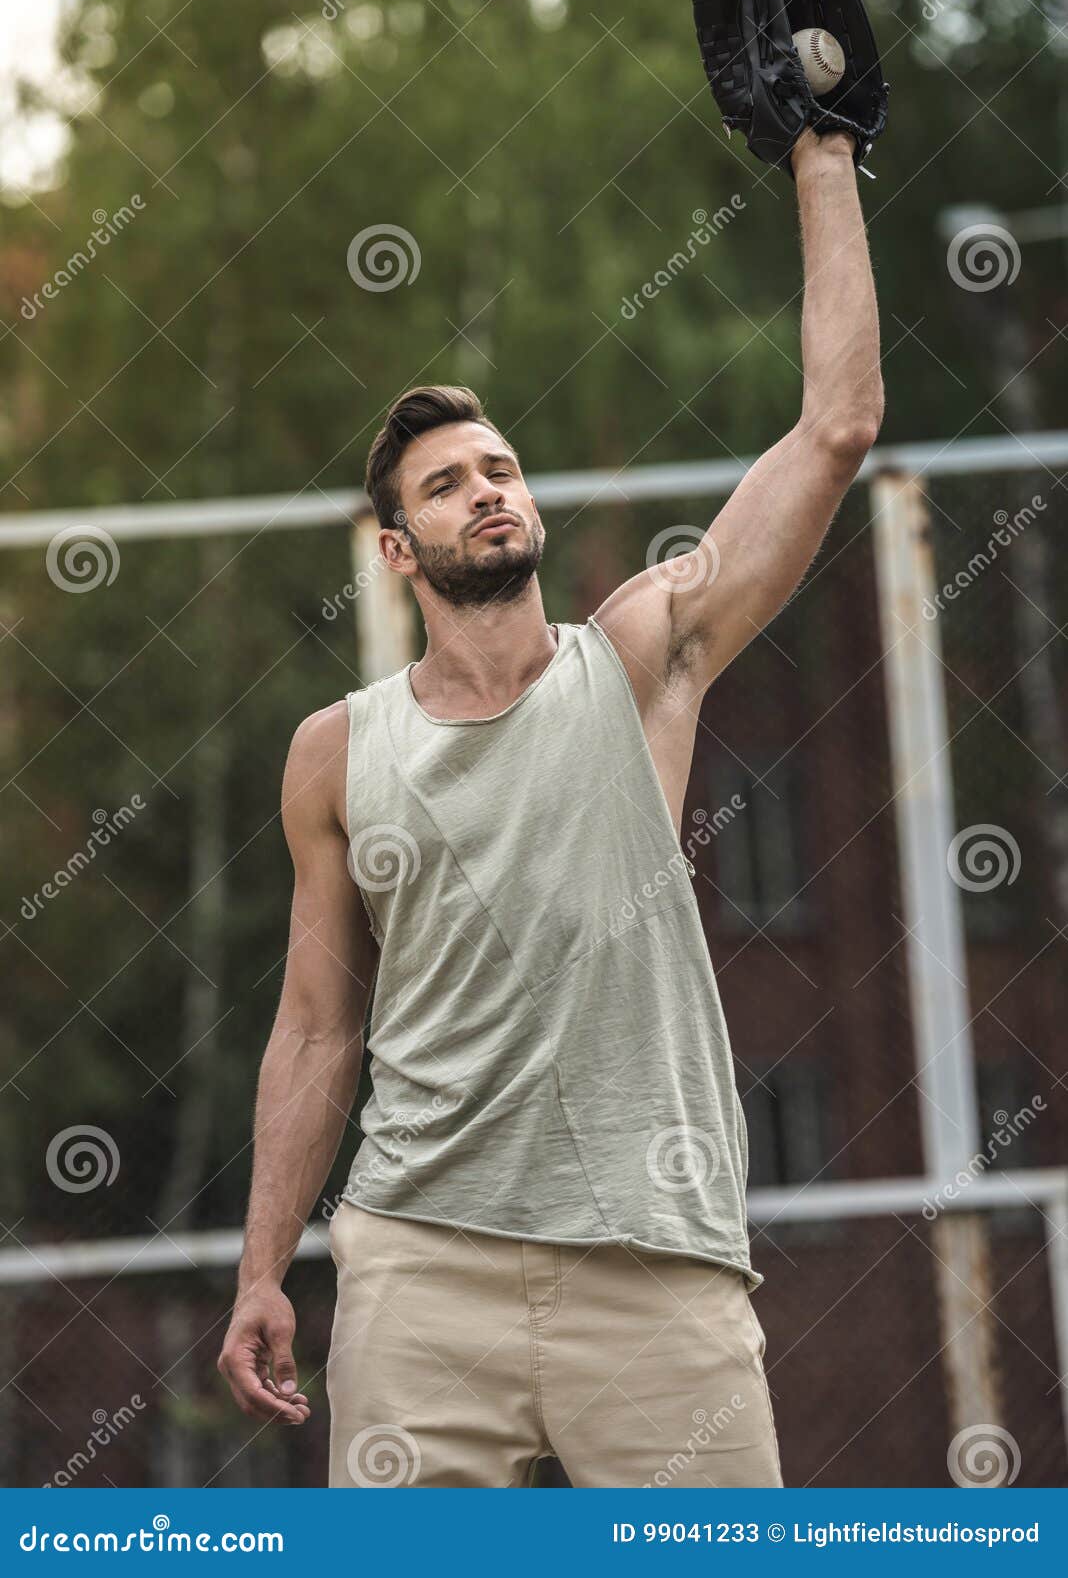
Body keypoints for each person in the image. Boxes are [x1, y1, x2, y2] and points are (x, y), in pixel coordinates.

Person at [217, 115, 883, 1487]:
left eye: (502, 467)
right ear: (401, 548)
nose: (489, 491)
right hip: (419, 1266)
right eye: (450, 484)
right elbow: (315, 1023)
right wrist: (263, 1268)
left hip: (655, 1261)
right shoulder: (335, 753)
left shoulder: (642, 655)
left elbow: (836, 430)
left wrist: (822, 160)